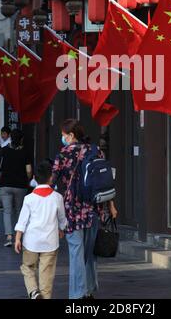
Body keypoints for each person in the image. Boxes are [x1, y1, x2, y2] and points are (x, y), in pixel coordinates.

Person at [52, 118, 118, 300]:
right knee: (89, 253)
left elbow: (52, 179)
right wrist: (111, 205)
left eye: (64, 135)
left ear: (71, 135)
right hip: (94, 209)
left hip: (72, 211)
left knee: (76, 252)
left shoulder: (63, 154)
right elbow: (106, 181)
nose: (62, 138)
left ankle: (77, 294)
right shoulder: (95, 151)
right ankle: (88, 290)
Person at [14, 160, 67, 300]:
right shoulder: (57, 198)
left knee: (27, 267)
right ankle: (44, 296)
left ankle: (33, 291)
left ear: (34, 179)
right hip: (50, 242)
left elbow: (22, 221)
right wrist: (61, 229)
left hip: (31, 242)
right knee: (47, 274)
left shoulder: (29, 198)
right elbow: (62, 219)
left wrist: (18, 238)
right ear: (51, 178)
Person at [0, 129, 32, 247]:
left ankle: (9, 237)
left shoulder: (3, 150)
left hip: (5, 184)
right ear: (21, 139)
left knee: (7, 211)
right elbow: (29, 170)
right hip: (20, 185)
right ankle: (19, 236)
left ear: (10, 137)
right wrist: (28, 179)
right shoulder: (25, 152)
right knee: (19, 210)